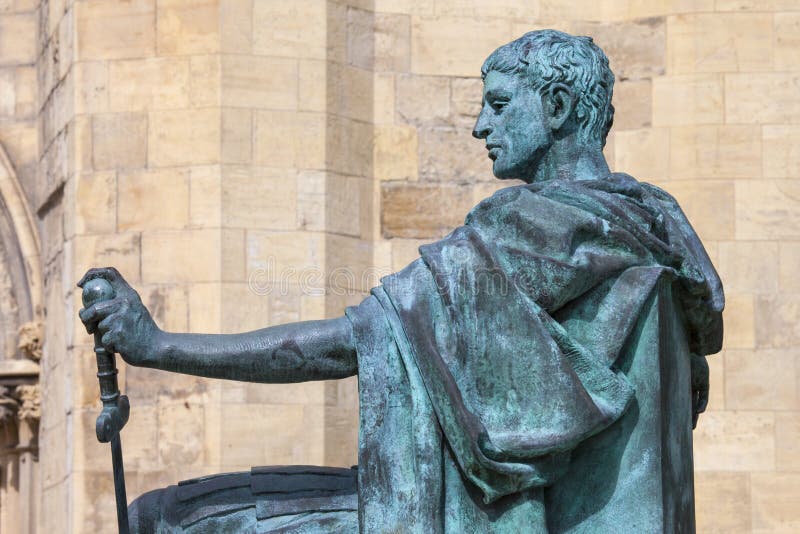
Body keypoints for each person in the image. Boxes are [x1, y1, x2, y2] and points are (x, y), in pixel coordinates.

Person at [78, 30, 723, 533]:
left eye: (499, 105)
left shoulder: (535, 226)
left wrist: (161, 347)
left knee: (168, 517)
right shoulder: (658, 232)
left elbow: (348, 344)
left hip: (492, 517)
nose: (479, 128)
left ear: (555, 108)